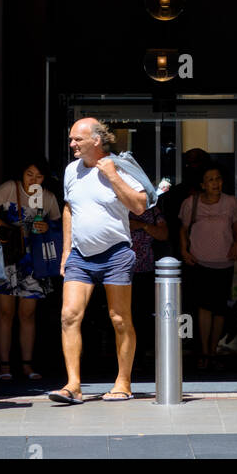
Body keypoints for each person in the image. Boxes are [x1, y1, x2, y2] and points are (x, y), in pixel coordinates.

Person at [49, 118, 147, 404]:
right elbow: (69, 209)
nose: (72, 144)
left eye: (77, 139)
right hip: (80, 255)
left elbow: (139, 206)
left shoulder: (121, 167)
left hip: (116, 253)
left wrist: (113, 176)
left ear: (96, 140)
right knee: (69, 315)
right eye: (71, 139)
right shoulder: (71, 170)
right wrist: (66, 251)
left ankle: (123, 382)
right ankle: (73, 385)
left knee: (119, 319)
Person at [0, 158, 62, 383]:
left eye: (38, 176)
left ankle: (27, 364)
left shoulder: (48, 197)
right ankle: (3, 365)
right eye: (29, 174)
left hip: (35, 260)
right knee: (5, 312)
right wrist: (7, 228)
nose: (33, 180)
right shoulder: (10, 188)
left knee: (28, 314)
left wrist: (47, 226)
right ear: (21, 173)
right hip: (9, 257)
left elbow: (59, 226)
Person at [179, 166, 237, 370]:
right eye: (210, 180)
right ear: (202, 184)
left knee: (220, 309)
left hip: (225, 262)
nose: (216, 183)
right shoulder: (191, 203)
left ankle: (213, 351)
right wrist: (184, 251)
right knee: (204, 308)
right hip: (200, 262)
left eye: (218, 178)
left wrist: (236, 244)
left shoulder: (230, 202)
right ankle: (204, 352)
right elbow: (183, 230)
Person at [129, 198, 169, 364]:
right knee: (121, 313)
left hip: (145, 268)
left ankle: (140, 354)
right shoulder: (120, 206)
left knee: (142, 313)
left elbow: (163, 234)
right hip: (119, 270)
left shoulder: (153, 211)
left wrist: (142, 225)